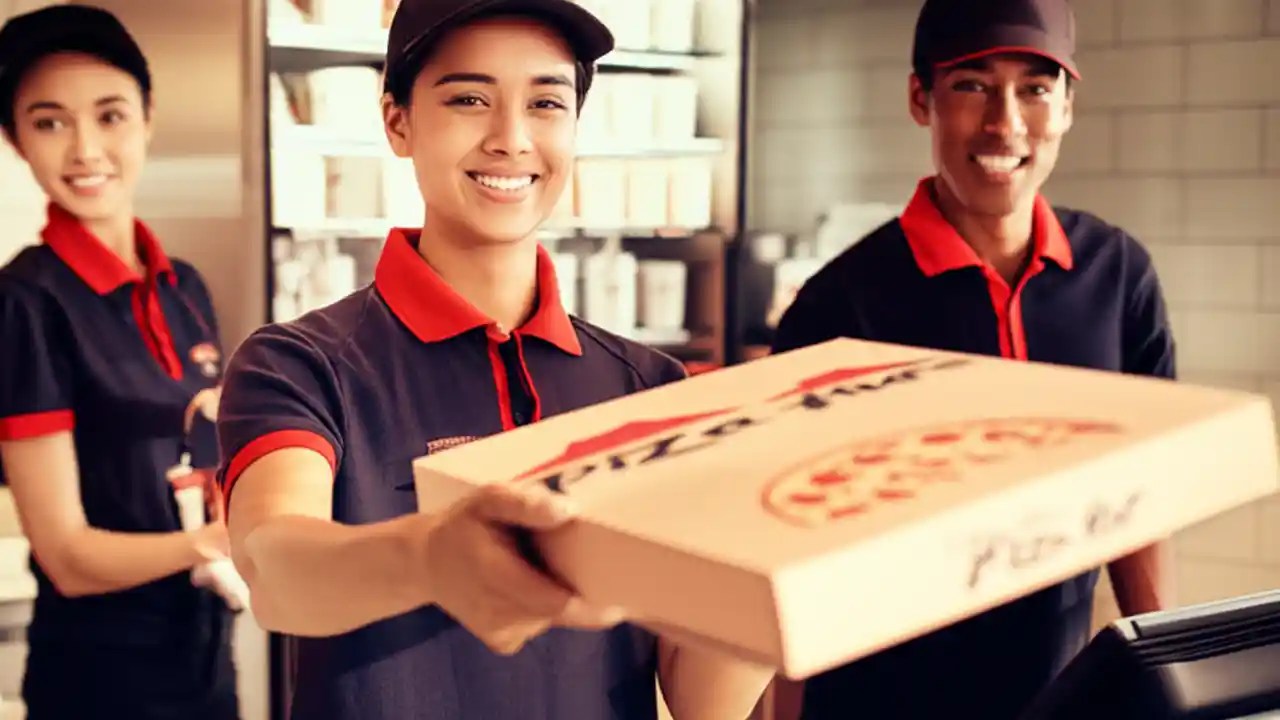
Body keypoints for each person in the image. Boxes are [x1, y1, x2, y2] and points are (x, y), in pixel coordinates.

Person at [214, 0, 774, 718]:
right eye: (470, 99)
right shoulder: (300, 366)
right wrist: (430, 557)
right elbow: (276, 570)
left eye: (546, 102)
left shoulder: (649, 389)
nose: (512, 139)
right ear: (398, 122)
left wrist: (780, 561)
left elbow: (700, 699)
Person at [769, 0, 1176, 718]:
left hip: (1053, 692)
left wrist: (1166, 678)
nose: (1005, 124)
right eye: (972, 85)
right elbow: (792, 552)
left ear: (1069, 107)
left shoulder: (1117, 277)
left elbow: (1142, 492)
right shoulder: (840, 309)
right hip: (879, 700)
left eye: (1035, 89)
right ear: (919, 99)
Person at [0, 5, 241, 719]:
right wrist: (215, 541)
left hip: (206, 655)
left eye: (109, 116)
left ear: (148, 118)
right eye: (49, 122)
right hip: (102, 677)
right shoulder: (25, 303)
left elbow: (200, 454)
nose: (84, 150)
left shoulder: (184, 287)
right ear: (16, 140)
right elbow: (68, 557)